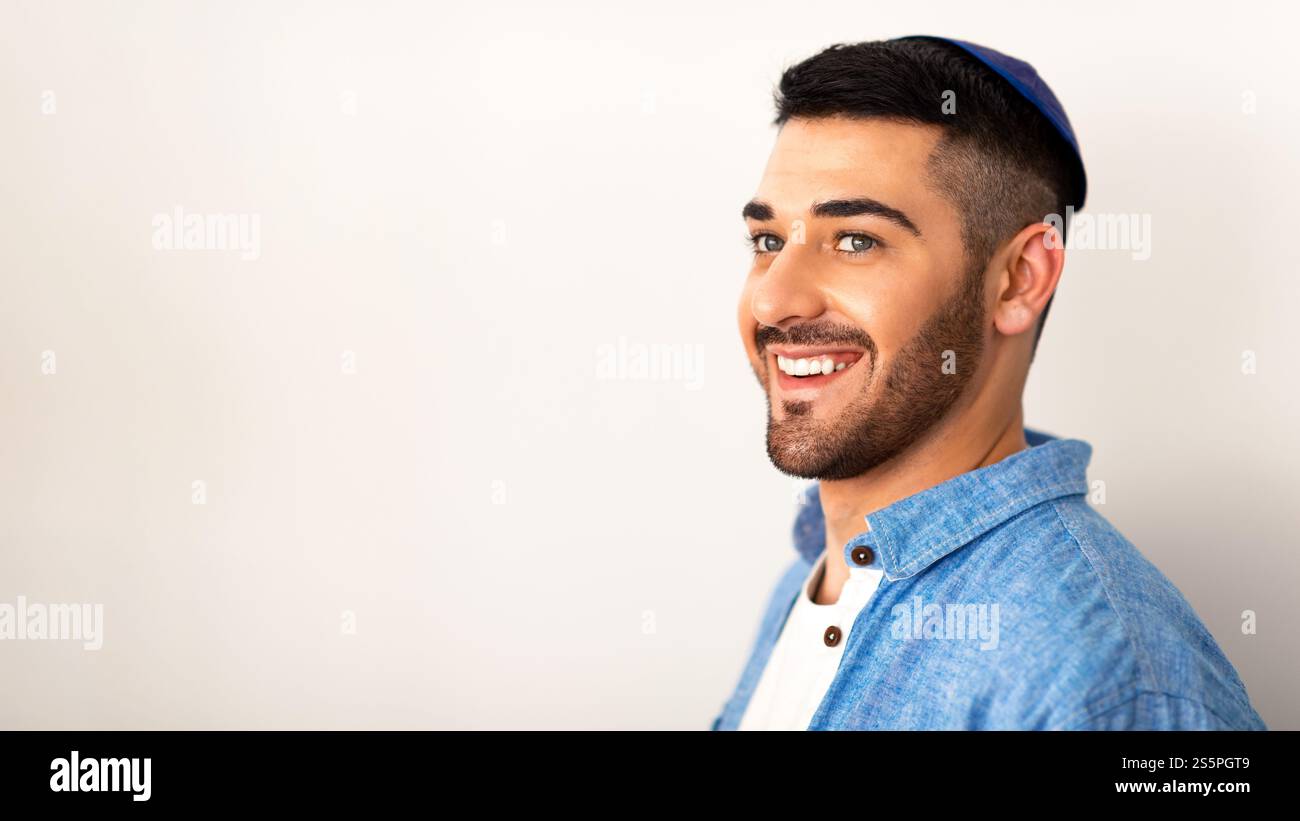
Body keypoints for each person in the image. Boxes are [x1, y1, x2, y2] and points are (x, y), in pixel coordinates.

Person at [711, 35, 1266, 730]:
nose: (771, 302)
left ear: (1019, 279)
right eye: (768, 241)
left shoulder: (1106, 676)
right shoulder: (807, 582)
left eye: (855, 239)